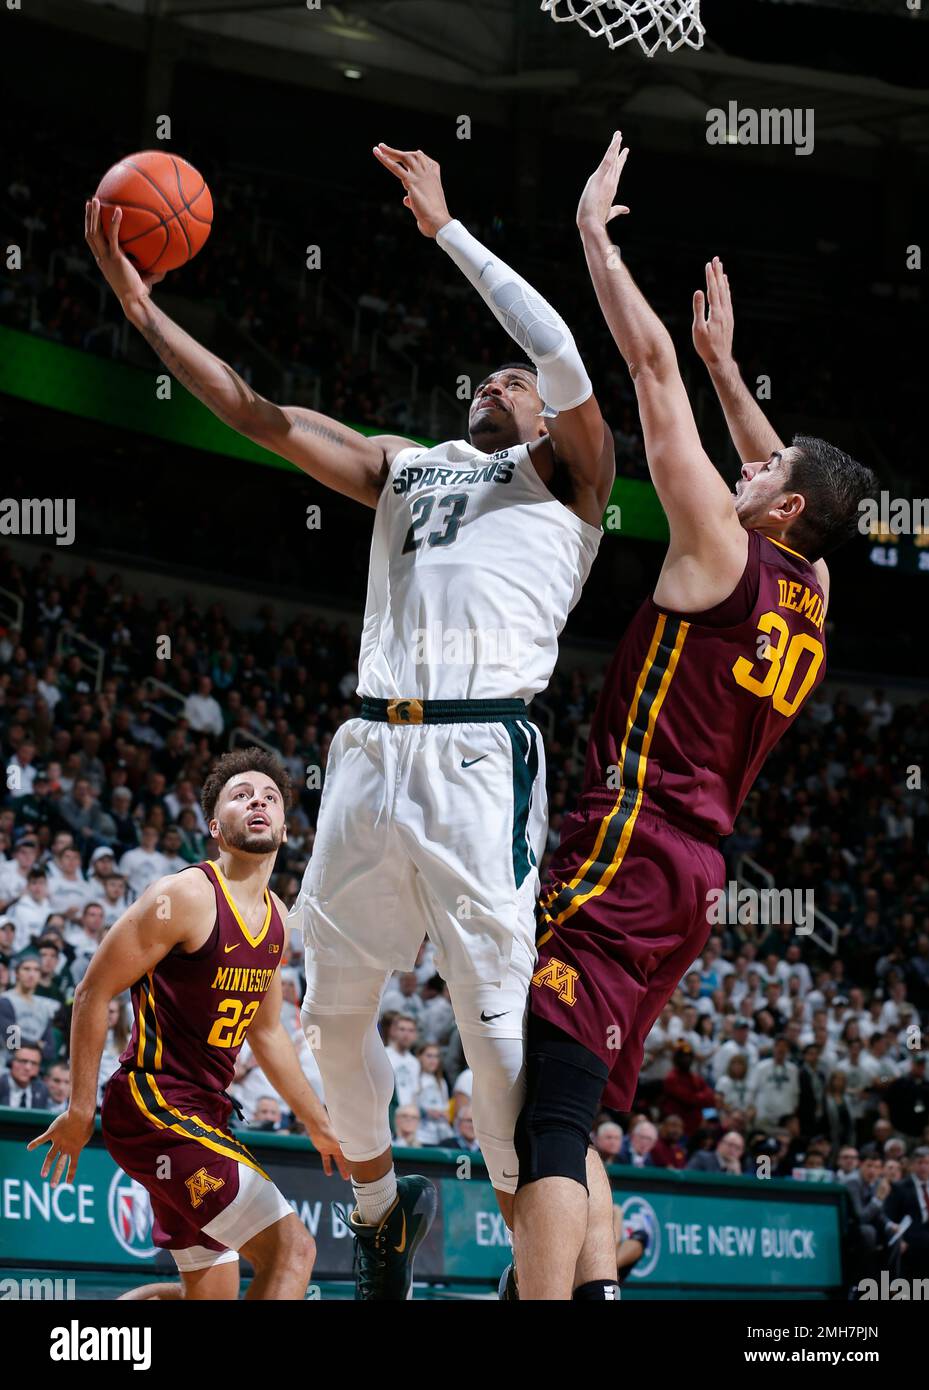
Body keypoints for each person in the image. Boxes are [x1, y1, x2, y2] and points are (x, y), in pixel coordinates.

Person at [85, 138, 615, 1301]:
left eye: (510, 380)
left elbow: (564, 352)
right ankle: (378, 1213)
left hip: (480, 753)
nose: (496, 380)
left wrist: (446, 231)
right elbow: (258, 414)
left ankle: (556, 1278)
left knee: (497, 1052)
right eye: (483, 377)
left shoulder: (576, 477)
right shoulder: (406, 465)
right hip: (369, 747)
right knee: (327, 1010)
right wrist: (138, 305)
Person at [512, 133, 877, 1299]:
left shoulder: (719, 547)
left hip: (629, 834)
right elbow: (792, 470)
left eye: (760, 475)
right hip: (696, 875)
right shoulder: (810, 586)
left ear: (776, 511)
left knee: (550, 1113)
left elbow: (647, 374)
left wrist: (590, 241)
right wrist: (736, 372)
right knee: (559, 1097)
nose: (743, 468)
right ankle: (585, 1283)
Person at [29, 749, 348, 1301]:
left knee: (211, 1297)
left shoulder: (276, 919)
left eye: (271, 797)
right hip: (153, 1103)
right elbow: (92, 991)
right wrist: (82, 1108)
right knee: (293, 1249)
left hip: (203, 1114)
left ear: (284, 828)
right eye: (241, 794)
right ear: (214, 826)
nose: (259, 801)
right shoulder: (182, 897)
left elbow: (266, 1032)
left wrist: (318, 1122)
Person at [884, 1146, 929, 1278]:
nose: (924, 1167)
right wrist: (900, 1239)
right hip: (908, 1235)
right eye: (920, 1163)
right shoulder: (900, 1187)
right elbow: (890, 1216)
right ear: (912, 1165)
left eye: (927, 1163)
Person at [0, 1043, 50, 1109]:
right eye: (23, 1061)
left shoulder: (42, 1090)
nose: (28, 1068)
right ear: (11, 1062)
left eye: (34, 1063)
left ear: (39, 1069)